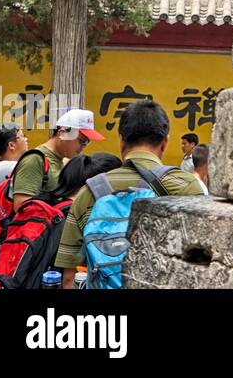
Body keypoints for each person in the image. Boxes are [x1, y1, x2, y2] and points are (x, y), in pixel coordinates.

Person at [54, 100, 205, 287]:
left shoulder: (89, 192)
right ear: (165, 142)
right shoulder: (187, 187)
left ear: (121, 140)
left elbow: (68, 277)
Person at [10, 109, 103, 211]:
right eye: (82, 141)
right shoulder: (35, 160)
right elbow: (21, 206)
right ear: (62, 133)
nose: (83, 146)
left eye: (87, 142)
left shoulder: (64, 161)